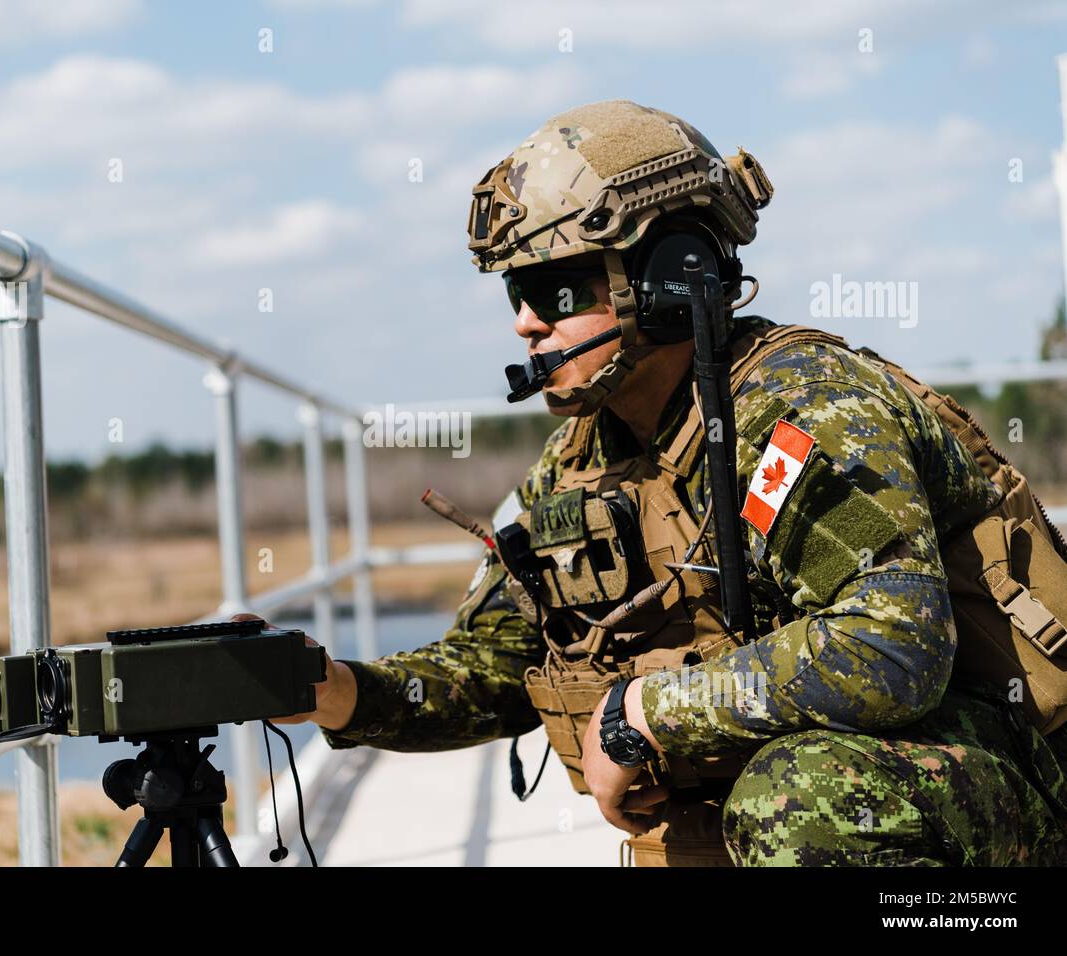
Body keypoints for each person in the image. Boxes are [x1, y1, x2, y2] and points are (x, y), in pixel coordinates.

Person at [277, 100, 1067, 866]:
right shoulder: (580, 458)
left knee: (798, 799)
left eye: (552, 291)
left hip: (1009, 770)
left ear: (668, 275)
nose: (524, 323)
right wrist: (336, 690)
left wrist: (643, 713)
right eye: (514, 294)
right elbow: (498, 665)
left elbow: (893, 643)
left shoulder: (802, 409)